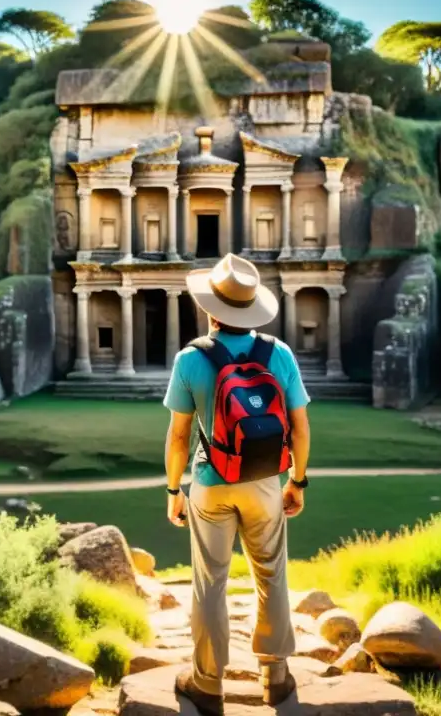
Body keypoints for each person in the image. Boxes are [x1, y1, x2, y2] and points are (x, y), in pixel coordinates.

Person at [163, 253, 311, 716]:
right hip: (265, 482)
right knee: (271, 574)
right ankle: (276, 676)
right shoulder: (278, 353)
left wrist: (173, 490)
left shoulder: (191, 358)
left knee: (210, 582)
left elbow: (180, 435)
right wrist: (297, 482)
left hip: (211, 481)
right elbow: (301, 428)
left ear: (211, 309)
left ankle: (207, 683)